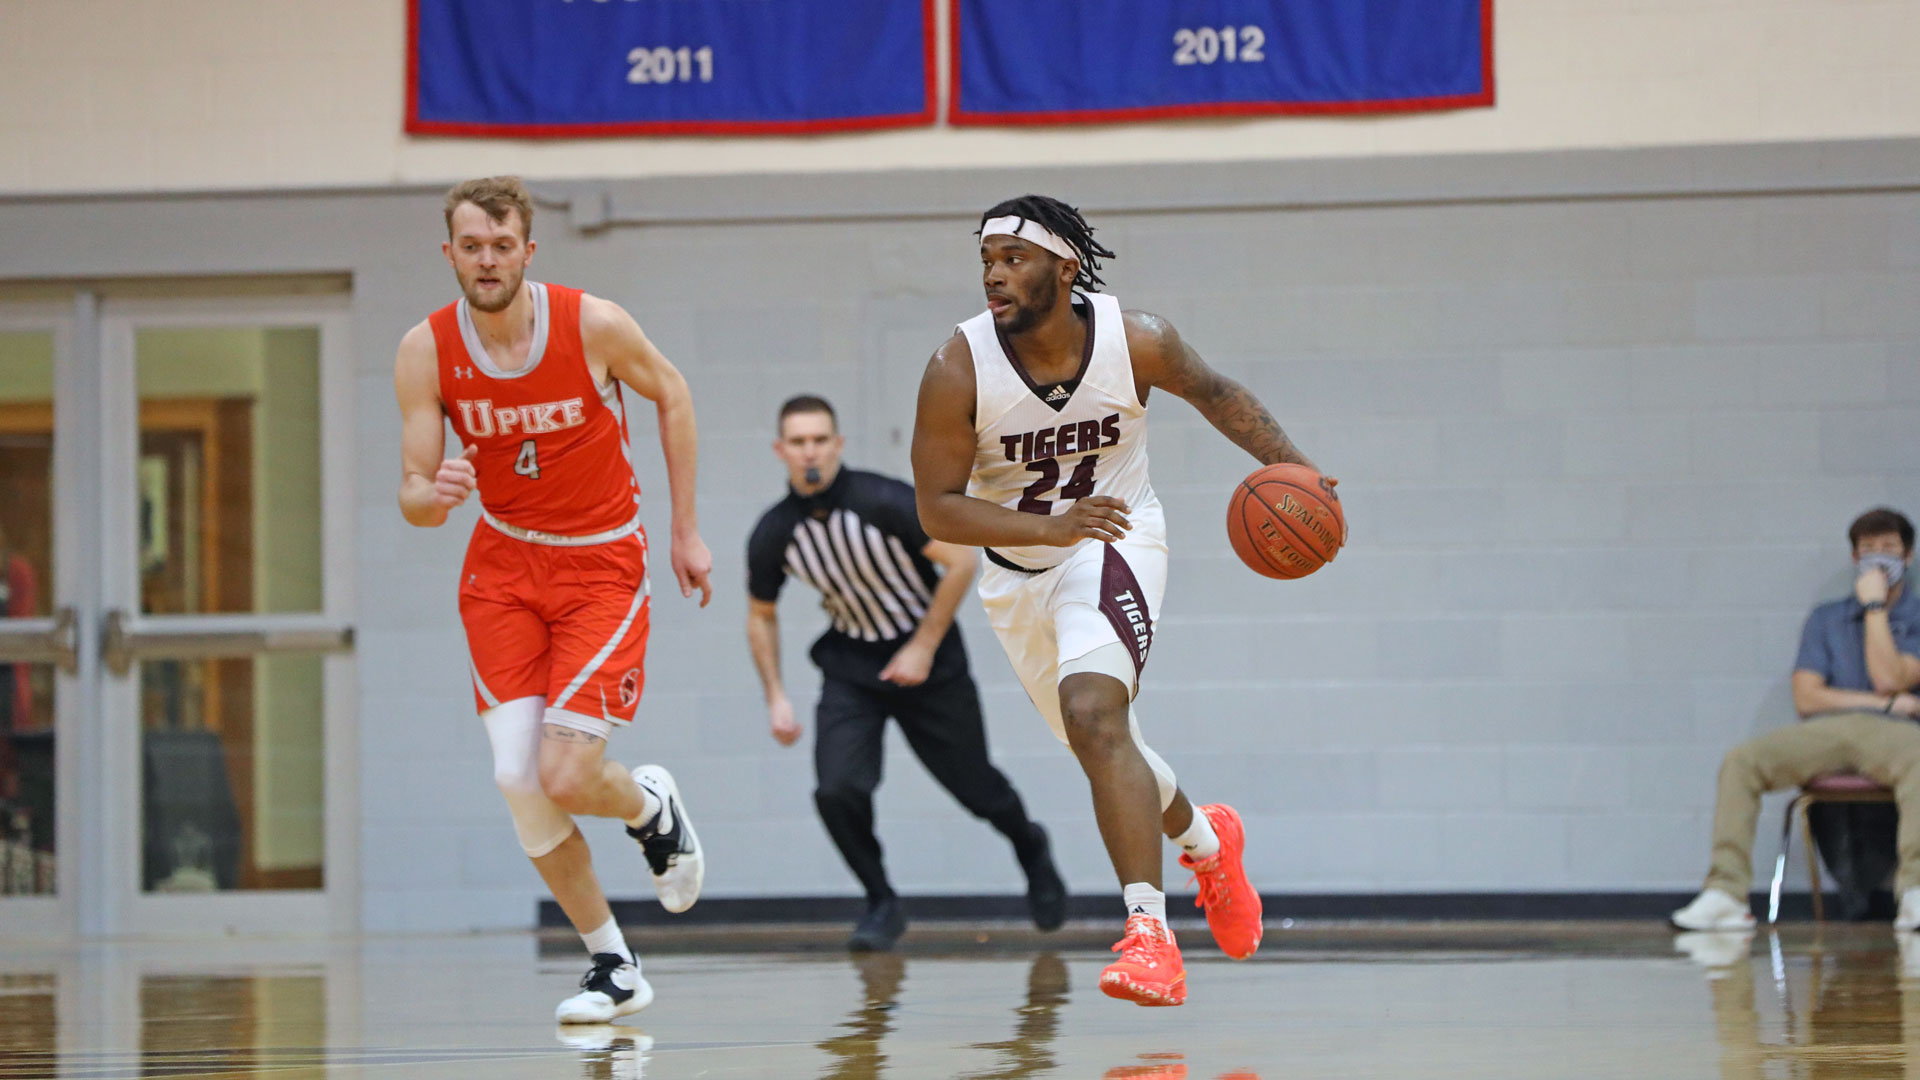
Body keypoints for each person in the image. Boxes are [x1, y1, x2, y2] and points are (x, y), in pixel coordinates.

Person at [910, 195, 1334, 1006]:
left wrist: (1302, 473)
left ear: (1065, 269)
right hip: (1018, 570)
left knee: (1096, 713)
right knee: (1106, 745)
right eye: (987, 259)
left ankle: (1149, 937)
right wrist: (1049, 523)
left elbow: (1217, 394)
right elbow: (936, 507)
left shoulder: (1137, 340)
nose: (995, 273)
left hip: (1115, 542)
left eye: (1014, 258)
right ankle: (1212, 845)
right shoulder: (958, 366)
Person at [393, 176, 714, 1023]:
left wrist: (685, 530)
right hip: (501, 564)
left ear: (528, 250)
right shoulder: (425, 350)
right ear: (450, 253)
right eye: (472, 246)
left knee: (566, 773)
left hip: (600, 565)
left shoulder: (591, 324)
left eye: (502, 246)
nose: (487, 260)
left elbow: (673, 392)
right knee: (515, 774)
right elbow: (415, 499)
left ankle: (650, 809)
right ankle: (613, 964)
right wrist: (438, 492)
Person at [746, 395, 1066, 950]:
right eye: (798, 442)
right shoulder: (775, 532)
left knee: (976, 788)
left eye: (820, 439)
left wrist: (921, 646)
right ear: (780, 451)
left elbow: (961, 561)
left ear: (838, 445)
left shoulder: (884, 500)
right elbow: (760, 614)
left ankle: (1030, 845)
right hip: (853, 668)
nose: (810, 451)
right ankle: (881, 900)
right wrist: (775, 695)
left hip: (931, 662)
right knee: (836, 789)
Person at [1671, 507, 1920, 932]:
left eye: (1888, 549)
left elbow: (1889, 677)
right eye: (1868, 550)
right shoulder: (1827, 618)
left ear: (1908, 557)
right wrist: (1881, 703)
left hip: (1896, 736)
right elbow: (1807, 697)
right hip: (1830, 730)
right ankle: (1725, 894)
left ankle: (1914, 892)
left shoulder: (1914, 616)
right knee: (1742, 761)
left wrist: (1875, 607)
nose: (1878, 559)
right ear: (1854, 558)